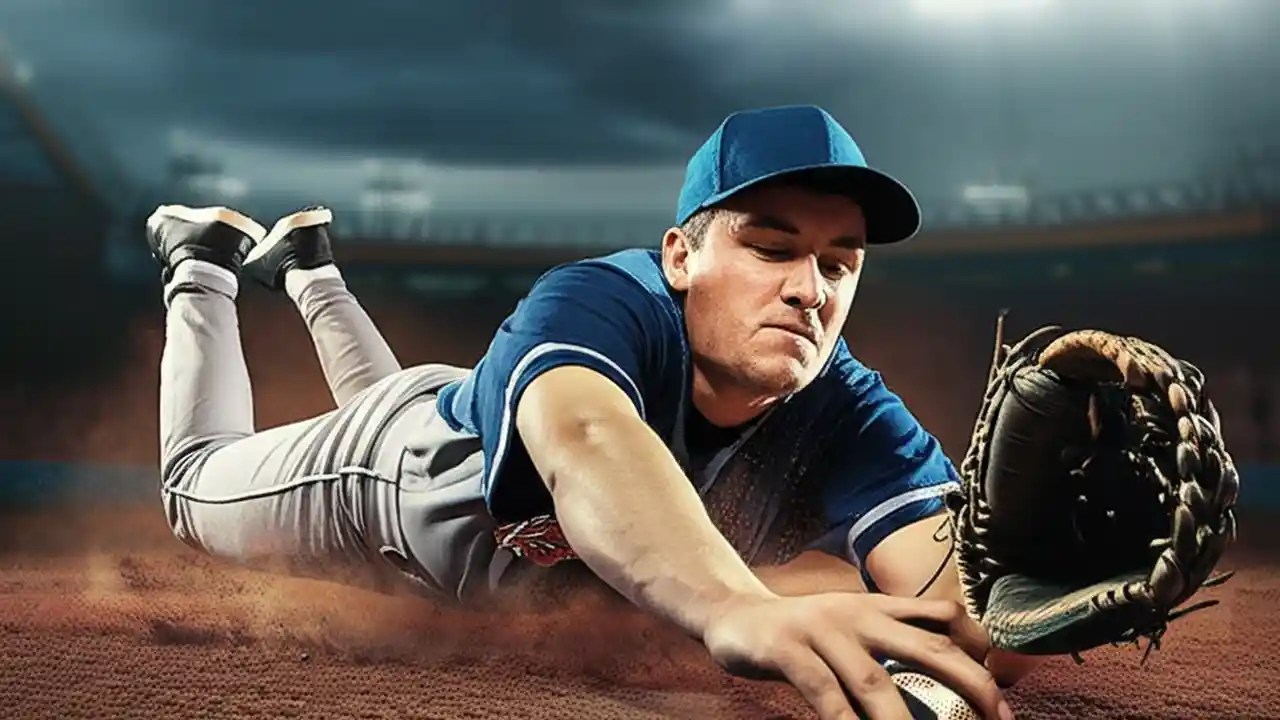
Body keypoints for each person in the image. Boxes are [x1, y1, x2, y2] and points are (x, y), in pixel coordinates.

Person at [145, 105, 1025, 720]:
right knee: (191, 494)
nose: (809, 289)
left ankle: (310, 270)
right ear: (682, 256)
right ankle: (201, 262)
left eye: (841, 264)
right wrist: (734, 604)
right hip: (389, 477)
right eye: (770, 247)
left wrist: (1047, 593)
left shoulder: (852, 408)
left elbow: (954, 604)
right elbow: (586, 436)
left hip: (472, 442)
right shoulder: (605, 301)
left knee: (386, 385)